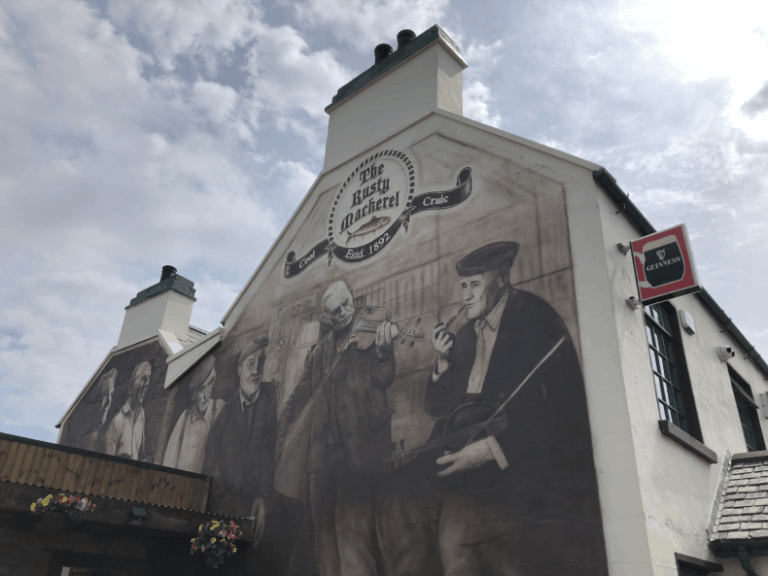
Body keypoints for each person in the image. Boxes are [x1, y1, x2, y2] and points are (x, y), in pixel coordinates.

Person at [376, 242, 606, 576]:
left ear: (502, 278)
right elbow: (438, 408)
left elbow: (561, 411)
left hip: (513, 456)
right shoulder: (466, 334)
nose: (465, 295)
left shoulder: (536, 319)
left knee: (458, 532)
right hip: (460, 444)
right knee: (394, 495)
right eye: (463, 286)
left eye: (474, 285)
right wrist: (443, 361)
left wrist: (490, 450)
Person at [277, 280, 399, 576]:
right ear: (326, 316)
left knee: (353, 538)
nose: (343, 312)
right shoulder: (320, 352)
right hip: (321, 458)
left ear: (352, 298)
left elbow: (384, 378)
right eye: (335, 311)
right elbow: (299, 395)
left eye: (346, 304)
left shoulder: (370, 334)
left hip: (357, 454)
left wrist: (384, 353)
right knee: (323, 540)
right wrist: (279, 429)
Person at [203, 336, 277, 532]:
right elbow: (211, 464)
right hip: (226, 508)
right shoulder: (225, 414)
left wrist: (263, 497)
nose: (256, 370)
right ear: (239, 370)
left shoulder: (271, 408)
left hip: (257, 507)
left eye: (261, 362)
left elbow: (270, 455)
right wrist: (225, 502)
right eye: (251, 363)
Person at [163, 354, 225, 473]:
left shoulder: (219, 408)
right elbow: (168, 461)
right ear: (193, 394)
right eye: (201, 389)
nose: (206, 394)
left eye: (210, 384)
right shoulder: (184, 418)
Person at [106, 360, 151, 461]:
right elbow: (107, 462)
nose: (146, 384)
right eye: (143, 379)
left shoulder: (141, 415)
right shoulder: (117, 421)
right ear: (130, 385)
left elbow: (141, 453)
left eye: (148, 379)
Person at [79, 367, 117, 452]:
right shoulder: (83, 438)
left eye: (111, 394)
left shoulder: (106, 441)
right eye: (105, 395)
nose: (108, 401)